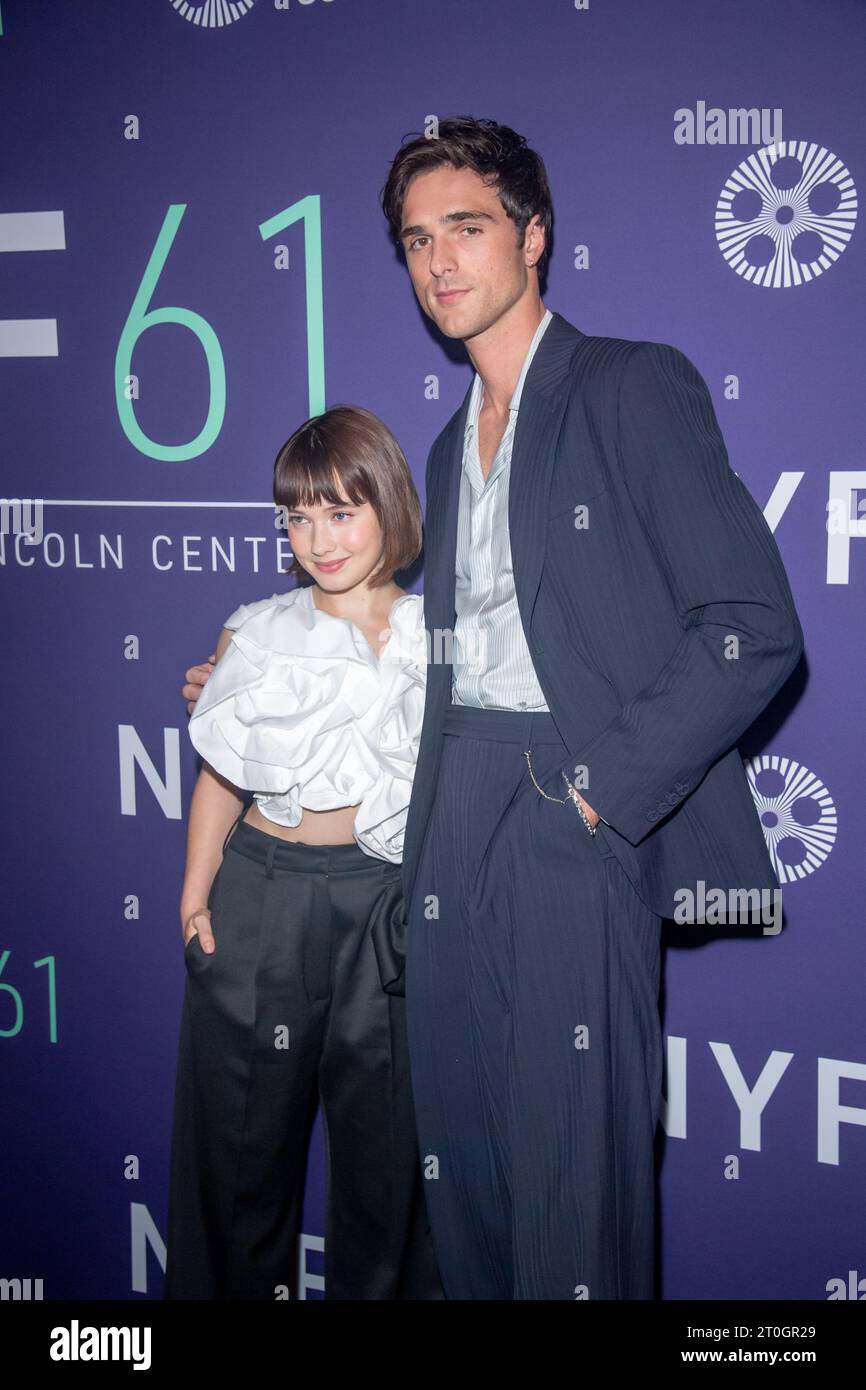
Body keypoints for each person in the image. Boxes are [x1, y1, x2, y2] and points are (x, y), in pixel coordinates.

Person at [185, 116, 804, 1301]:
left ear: (531, 233)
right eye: (416, 242)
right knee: (458, 1177)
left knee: (575, 1180)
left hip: (568, 803)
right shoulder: (441, 436)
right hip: (447, 804)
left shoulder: (630, 383)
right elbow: (439, 648)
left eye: (464, 229)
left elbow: (747, 625)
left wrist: (593, 795)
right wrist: (256, 675)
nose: (437, 263)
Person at [165, 404, 443, 1300]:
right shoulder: (253, 631)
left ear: (389, 506)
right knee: (238, 1158)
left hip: (385, 906)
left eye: (341, 510)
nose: (318, 537)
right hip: (262, 895)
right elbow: (223, 774)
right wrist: (197, 889)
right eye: (298, 514)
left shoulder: (439, 639)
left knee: (389, 1167)